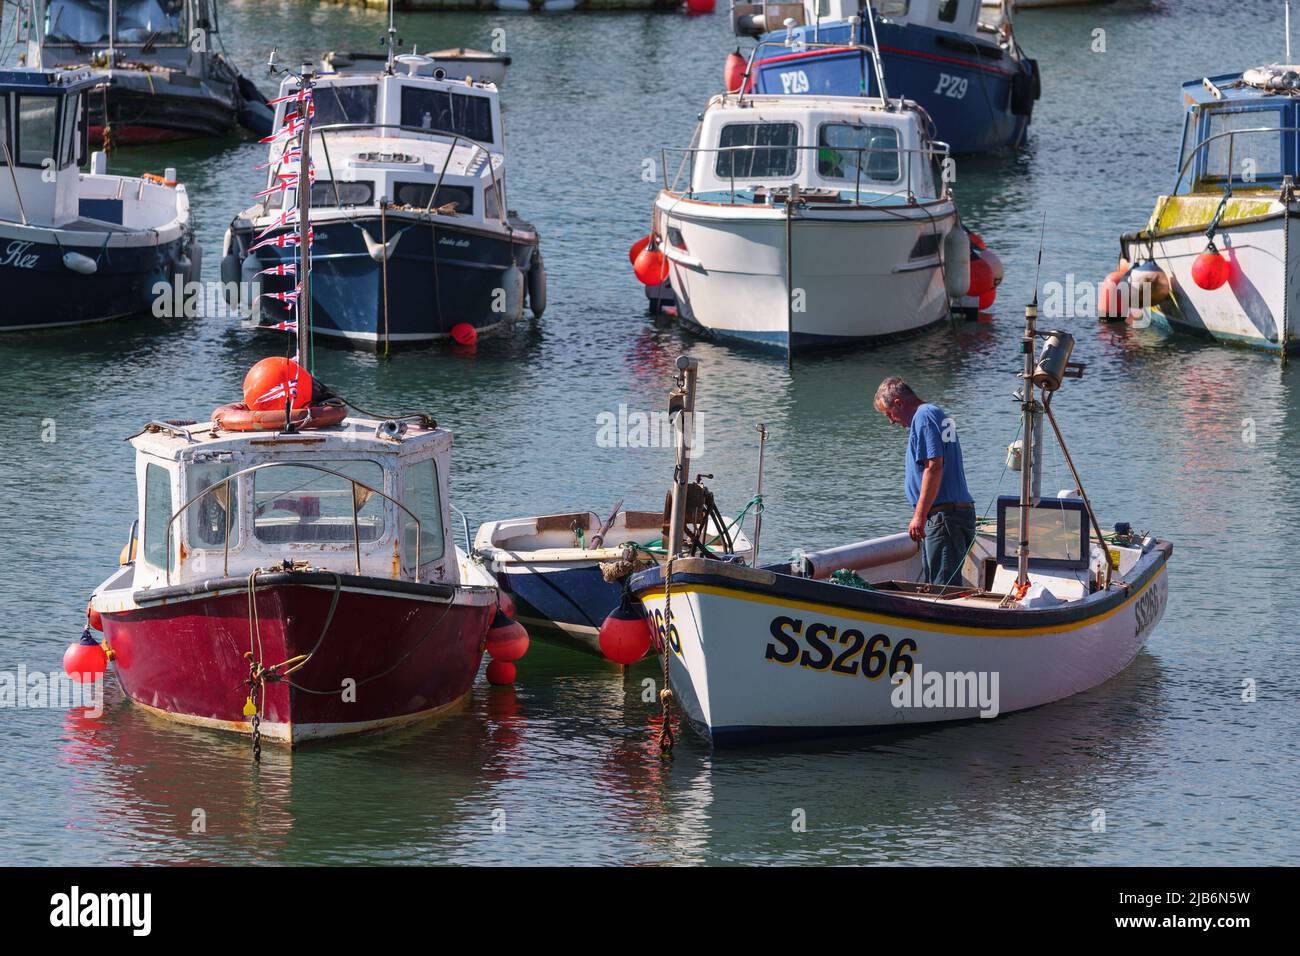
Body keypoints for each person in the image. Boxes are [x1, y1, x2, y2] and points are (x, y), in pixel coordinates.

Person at [874, 377, 975, 588]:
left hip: (944, 516)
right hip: (948, 515)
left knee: (941, 589)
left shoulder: (924, 416)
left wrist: (919, 515)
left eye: (889, 414)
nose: (891, 421)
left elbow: (934, 466)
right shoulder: (934, 414)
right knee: (936, 583)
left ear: (898, 403)